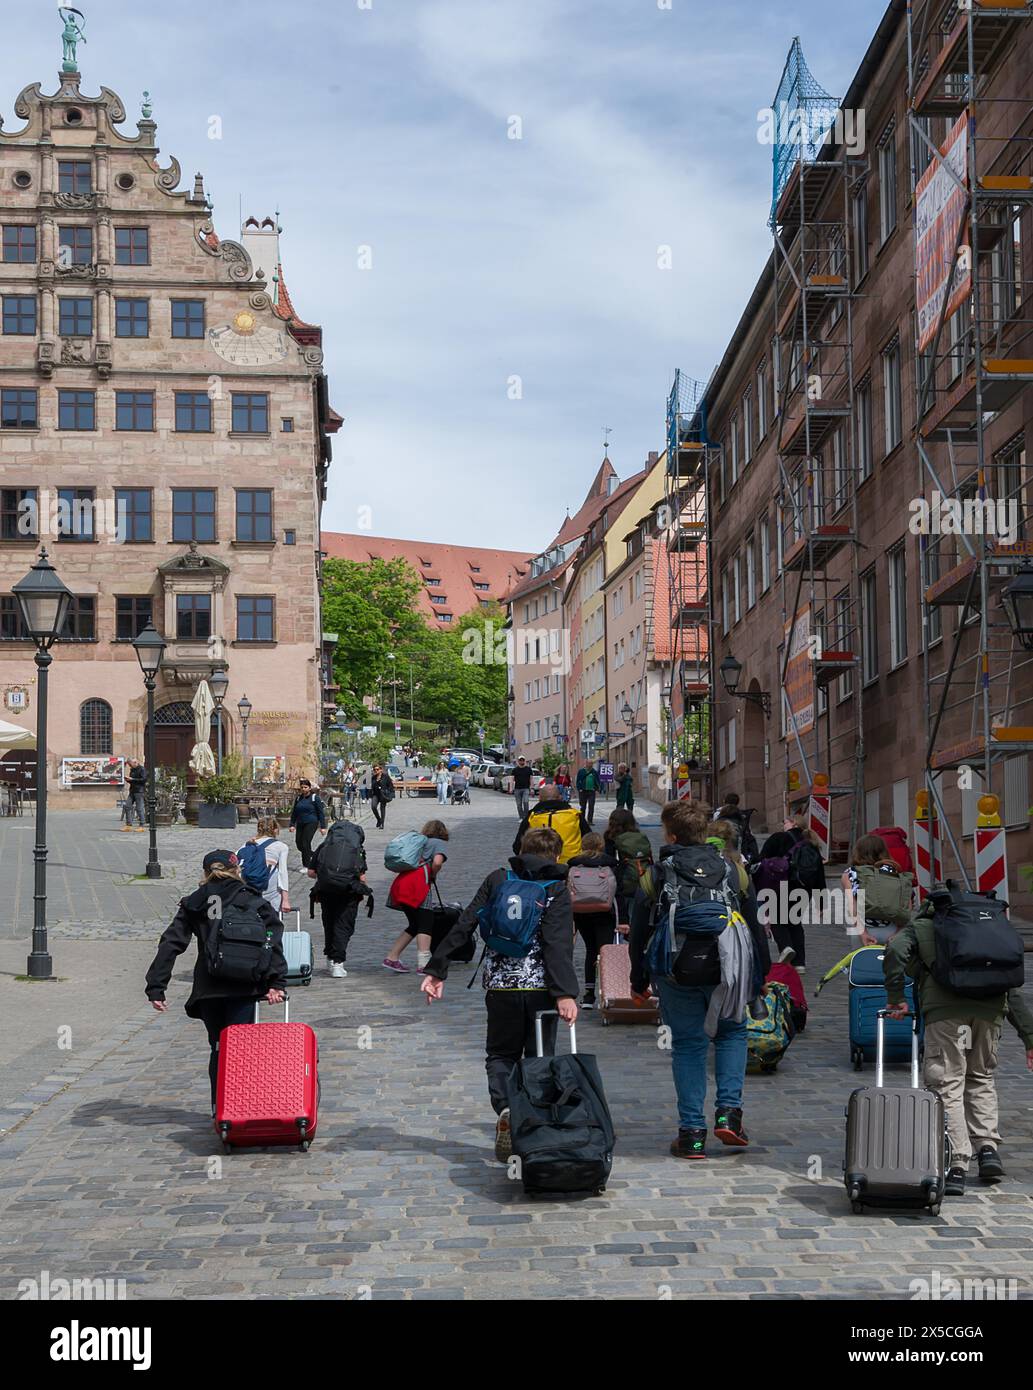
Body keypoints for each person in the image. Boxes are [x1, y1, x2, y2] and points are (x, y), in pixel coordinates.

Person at [421, 825, 579, 1162]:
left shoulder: (498, 878)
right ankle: (533, 1126)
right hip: (540, 989)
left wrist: (437, 969)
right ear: (556, 855)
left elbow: (465, 923)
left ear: (522, 848)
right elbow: (557, 945)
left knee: (500, 1054)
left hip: (501, 986)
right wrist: (565, 993)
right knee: (538, 1059)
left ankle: (506, 1108)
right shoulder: (556, 888)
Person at [629, 801, 770, 1160]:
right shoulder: (732, 870)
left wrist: (638, 977)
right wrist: (759, 974)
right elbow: (754, 926)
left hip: (676, 968)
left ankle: (692, 1134)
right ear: (705, 833)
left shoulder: (657, 874)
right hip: (730, 967)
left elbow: (639, 930)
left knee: (689, 1045)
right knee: (731, 1033)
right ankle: (729, 1115)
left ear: (671, 835)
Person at [885, 899, 1033, 1197]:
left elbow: (895, 950)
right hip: (989, 1013)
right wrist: (1030, 1037)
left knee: (947, 1083)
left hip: (945, 1014)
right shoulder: (986, 928)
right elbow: (1011, 989)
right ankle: (988, 1149)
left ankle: (958, 1163)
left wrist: (895, 995)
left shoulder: (923, 925)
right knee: (980, 1078)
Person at [145, 849, 287, 1109]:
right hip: (244, 984)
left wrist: (157, 986)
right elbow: (273, 936)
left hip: (209, 987)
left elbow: (171, 943)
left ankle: (218, 1106)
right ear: (237, 870)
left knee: (219, 1046)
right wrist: (276, 981)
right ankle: (240, 1107)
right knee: (240, 1048)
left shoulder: (196, 901)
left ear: (205, 872)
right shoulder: (250, 898)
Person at [382, 820, 450, 974]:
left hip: (402, 882)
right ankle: (424, 964)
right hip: (417, 884)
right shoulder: (438, 843)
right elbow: (438, 862)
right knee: (426, 923)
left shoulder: (420, 842)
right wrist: (433, 874)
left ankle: (392, 958)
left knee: (415, 924)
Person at [308, 819, 371, 978]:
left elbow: (311, 872)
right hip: (348, 892)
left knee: (329, 923)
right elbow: (362, 877)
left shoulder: (324, 846)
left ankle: (330, 958)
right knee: (343, 925)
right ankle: (338, 962)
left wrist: (327, 876)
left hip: (326, 891)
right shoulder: (357, 849)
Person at [568, 832, 620, 1009]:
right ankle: (608, 992)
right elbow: (618, 893)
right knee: (605, 952)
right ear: (601, 846)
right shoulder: (610, 864)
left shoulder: (574, 864)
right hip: (605, 913)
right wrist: (625, 919)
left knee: (590, 950)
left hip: (581, 913)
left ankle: (589, 996)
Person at [841, 834, 915, 946]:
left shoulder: (851, 874)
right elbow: (907, 906)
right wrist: (898, 932)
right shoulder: (895, 873)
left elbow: (853, 907)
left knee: (862, 962)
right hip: (891, 930)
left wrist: (863, 934)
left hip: (864, 931)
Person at [512, 780, 590, 864]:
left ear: (540, 799)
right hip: (571, 864)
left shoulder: (531, 817)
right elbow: (589, 840)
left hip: (539, 867)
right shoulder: (575, 815)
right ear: (560, 797)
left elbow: (517, 846)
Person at [605, 807, 654, 930]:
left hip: (622, 884)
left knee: (621, 916)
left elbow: (609, 862)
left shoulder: (611, 839)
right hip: (644, 882)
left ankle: (624, 942)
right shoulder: (641, 837)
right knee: (637, 917)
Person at [238, 816, 291, 918]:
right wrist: (285, 900)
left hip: (248, 886)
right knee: (272, 919)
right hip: (269, 888)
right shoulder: (281, 846)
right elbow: (283, 873)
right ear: (275, 830)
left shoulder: (247, 845)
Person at [288, 779, 326, 868]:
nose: (303, 789)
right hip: (300, 823)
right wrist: (292, 824)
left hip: (311, 823)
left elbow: (321, 812)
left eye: (305, 787)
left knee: (305, 843)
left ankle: (307, 865)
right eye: (302, 787)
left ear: (309, 788)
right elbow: (294, 812)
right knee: (299, 844)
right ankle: (313, 854)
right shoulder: (298, 798)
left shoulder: (314, 798)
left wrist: (323, 826)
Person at [369, 762, 395, 829]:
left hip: (383, 794)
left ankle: (382, 824)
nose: (376, 771)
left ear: (381, 770)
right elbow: (372, 786)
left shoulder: (385, 776)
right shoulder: (373, 777)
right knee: (373, 806)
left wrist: (388, 792)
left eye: (377, 769)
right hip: (376, 794)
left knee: (382, 808)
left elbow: (391, 786)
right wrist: (376, 781)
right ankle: (379, 819)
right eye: (374, 770)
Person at [124, 758, 147, 831]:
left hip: (139, 791)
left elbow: (143, 780)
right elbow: (133, 780)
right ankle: (128, 825)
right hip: (132, 790)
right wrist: (128, 780)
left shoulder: (142, 769)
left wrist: (132, 779)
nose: (130, 766)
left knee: (139, 808)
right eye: (129, 765)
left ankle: (142, 825)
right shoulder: (132, 770)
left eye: (130, 764)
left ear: (135, 762)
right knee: (127, 806)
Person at [576, 761, 600, 827]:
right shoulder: (581, 771)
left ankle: (590, 821)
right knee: (583, 807)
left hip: (591, 791)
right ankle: (583, 820)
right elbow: (578, 780)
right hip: (583, 791)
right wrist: (579, 789)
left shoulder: (594, 771)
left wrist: (597, 789)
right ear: (586, 764)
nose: (590, 765)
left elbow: (597, 780)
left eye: (591, 763)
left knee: (591, 806)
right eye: (589, 763)